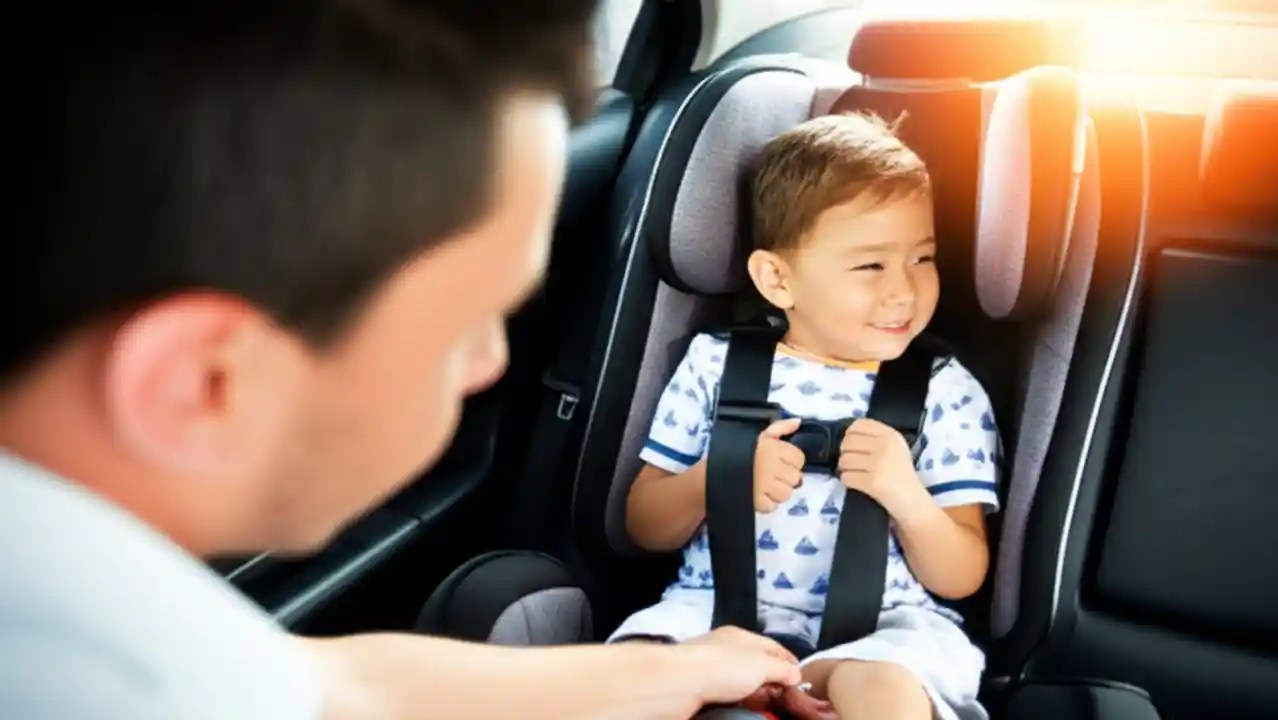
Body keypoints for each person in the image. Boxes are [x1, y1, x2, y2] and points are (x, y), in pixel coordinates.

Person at [0, 3, 806, 718]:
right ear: (201, 385)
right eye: (473, 323)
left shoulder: (81, 608)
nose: (492, 364)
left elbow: (331, 687)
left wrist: (661, 673)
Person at [614, 113, 1003, 720]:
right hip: (711, 609)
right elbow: (644, 523)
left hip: (886, 633)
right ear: (777, 278)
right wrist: (717, 479)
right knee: (637, 671)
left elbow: (962, 574)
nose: (904, 289)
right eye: (871, 265)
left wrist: (908, 497)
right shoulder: (715, 365)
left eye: (922, 258)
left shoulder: (946, 392)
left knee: (886, 693)